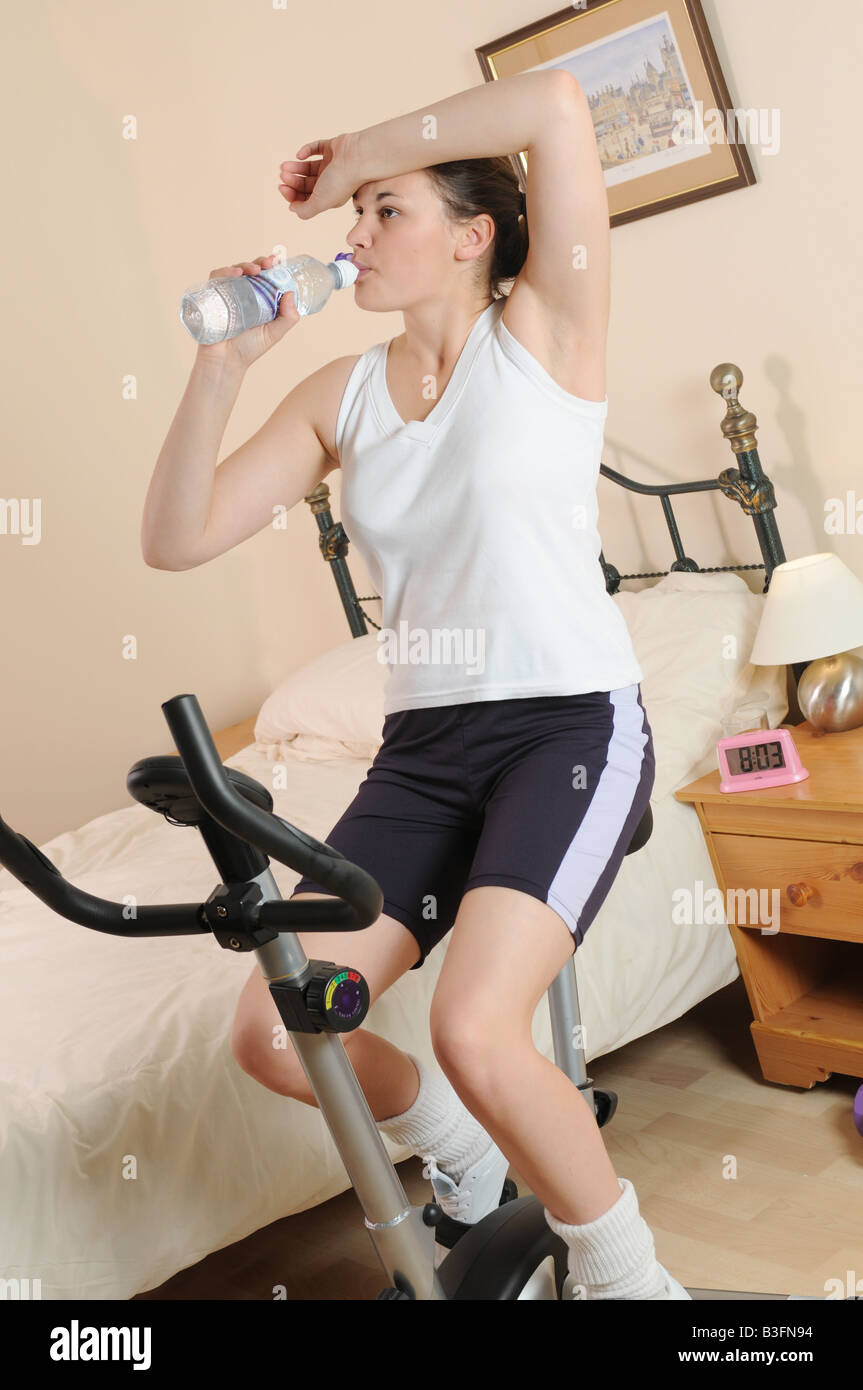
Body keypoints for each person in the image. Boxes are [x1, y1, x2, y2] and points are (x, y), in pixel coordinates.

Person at [143, 70, 688, 1299]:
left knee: (476, 1023)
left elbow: (551, 104)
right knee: (278, 1029)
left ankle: (632, 1283)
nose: (352, 235)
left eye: (386, 210)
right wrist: (225, 369)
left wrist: (349, 153)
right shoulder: (338, 396)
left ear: (472, 234)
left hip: (566, 726)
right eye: (355, 212)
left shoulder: (546, 329)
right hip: (422, 751)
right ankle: (452, 1145)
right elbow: (176, 537)